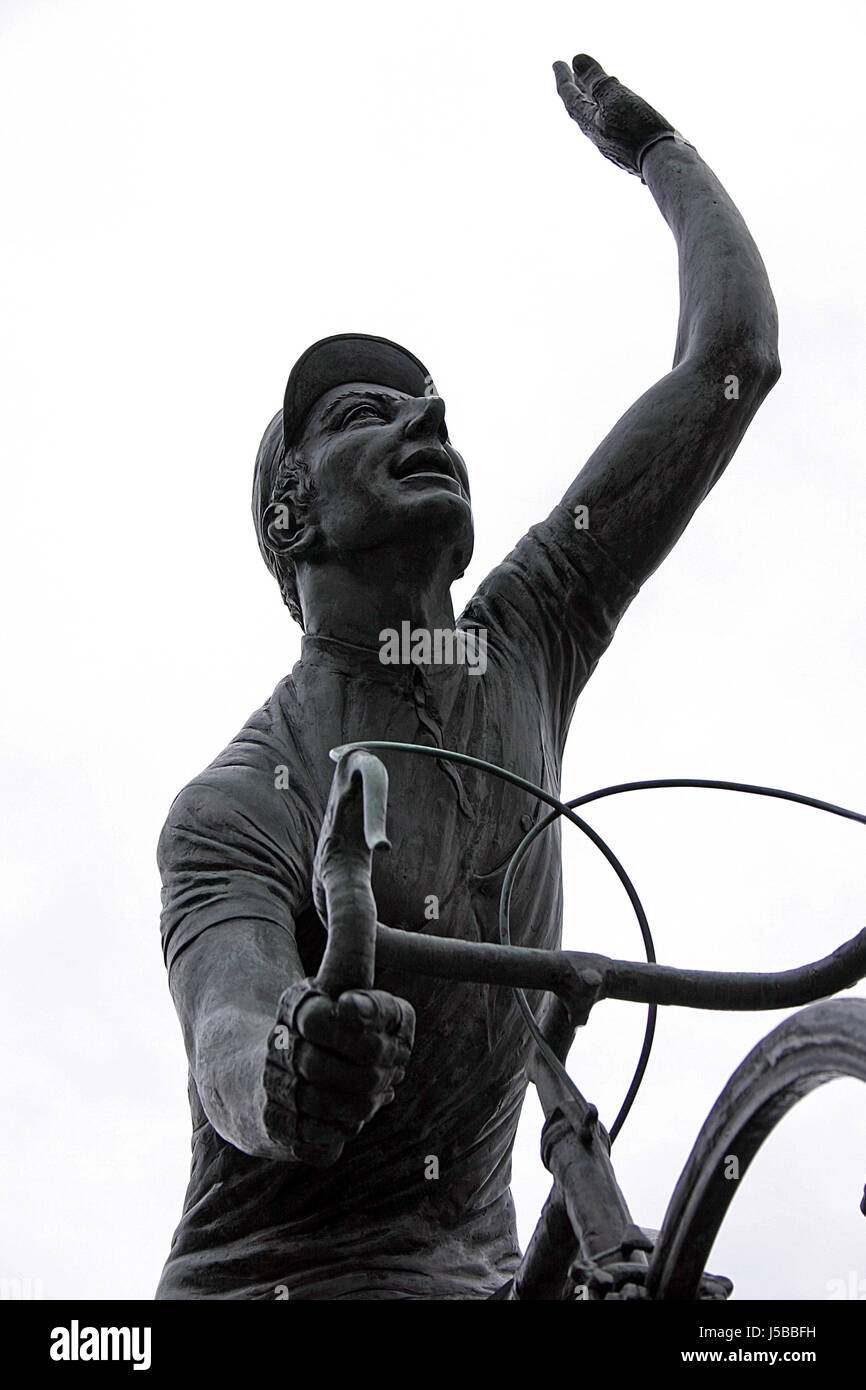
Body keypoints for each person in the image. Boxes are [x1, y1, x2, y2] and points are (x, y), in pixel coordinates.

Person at [155, 53, 780, 1299]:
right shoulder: (244, 797)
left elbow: (730, 358)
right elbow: (225, 1026)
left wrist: (652, 147)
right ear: (292, 518)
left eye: (426, 401)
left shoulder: (524, 638)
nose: (422, 418)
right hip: (271, 1282)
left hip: (479, 1280)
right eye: (358, 417)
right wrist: (290, 1060)